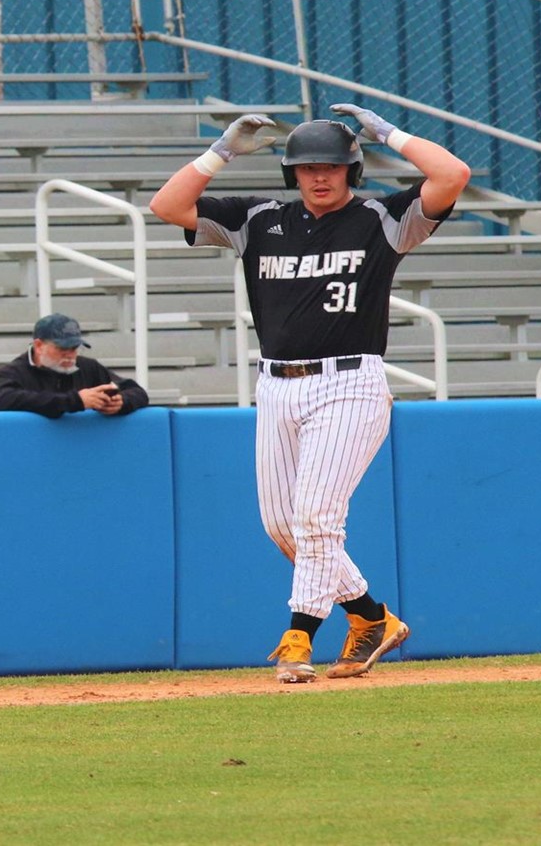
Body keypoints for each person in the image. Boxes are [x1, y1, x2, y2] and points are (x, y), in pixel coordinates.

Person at [149, 103, 469, 683]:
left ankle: (299, 638)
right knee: (283, 526)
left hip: (349, 383)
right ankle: (371, 618)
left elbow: (452, 176)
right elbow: (166, 206)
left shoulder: (383, 218)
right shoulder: (260, 219)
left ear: (352, 169)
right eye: (306, 167)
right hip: (276, 385)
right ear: (291, 174)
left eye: (332, 166)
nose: (319, 176)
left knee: (318, 516)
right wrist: (220, 152)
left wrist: (389, 134)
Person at [0, 313, 149, 419]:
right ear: (39, 345)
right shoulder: (12, 373)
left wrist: (121, 402)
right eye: (62, 348)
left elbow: (137, 392)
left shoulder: (88, 367)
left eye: (74, 348)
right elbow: (1, 402)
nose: (70, 355)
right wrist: (76, 401)